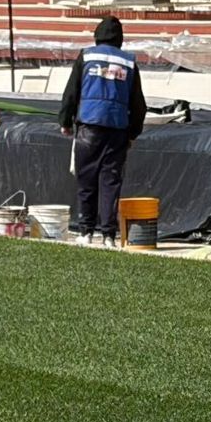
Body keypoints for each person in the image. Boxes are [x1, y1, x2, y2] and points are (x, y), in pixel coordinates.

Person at [58, 16, 147, 248]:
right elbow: (138, 104)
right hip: (117, 130)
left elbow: (71, 91)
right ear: (120, 39)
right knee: (110, 183)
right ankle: (108, 235)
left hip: (89, 126)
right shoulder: (129, 62)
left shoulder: (87, 56)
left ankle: (86, 231)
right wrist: (132, 134)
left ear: (97, 35)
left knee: (86, 181)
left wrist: (65, 121)